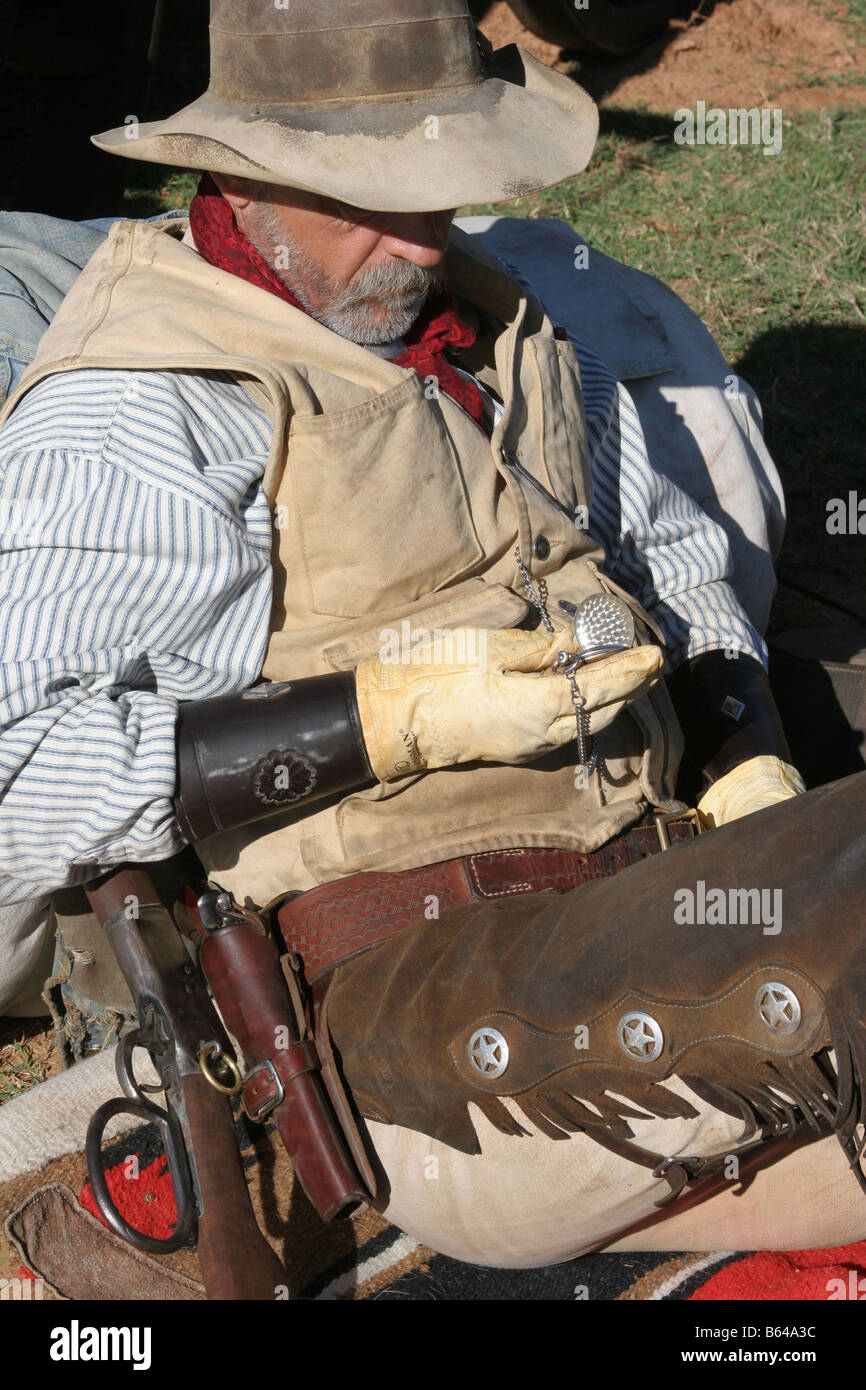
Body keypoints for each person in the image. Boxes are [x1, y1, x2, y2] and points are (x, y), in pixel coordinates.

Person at [0, 0, 864, 1266]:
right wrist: (388, 718)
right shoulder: (151, 403)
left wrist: (739, 737)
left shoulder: (496, 321)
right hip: (422, 1008)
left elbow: (672, 550)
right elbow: (19, 770)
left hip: (655, 888)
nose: (412, 243)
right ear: (237, 177)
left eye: (439, 192)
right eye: (364, 201)